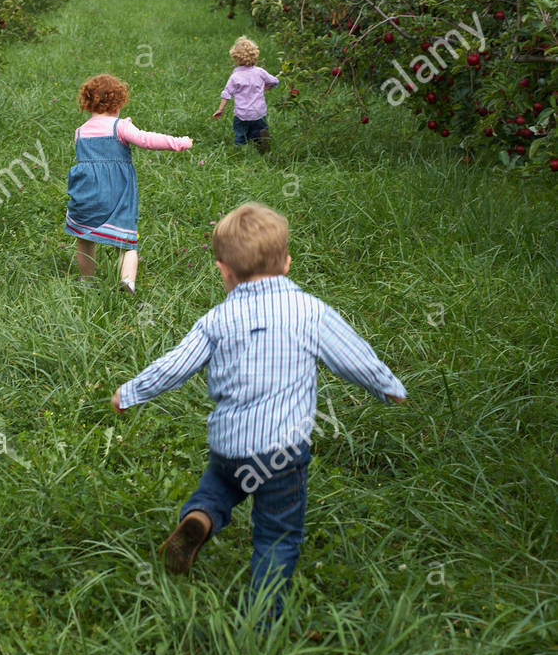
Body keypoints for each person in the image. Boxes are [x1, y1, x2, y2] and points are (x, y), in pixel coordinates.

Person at [111, 203, 406, 620]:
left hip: (230, 444)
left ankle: (201, 517)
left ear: (223, 271)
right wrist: (387, 386)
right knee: (277, 535)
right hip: (282, 452)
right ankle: (260, 620)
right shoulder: (310, 312)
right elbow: (352, 357)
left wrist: (131, 392)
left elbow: (174, 365)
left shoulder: (216, 320)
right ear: (286, 263)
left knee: (221, 486)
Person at [65, 73, 192, 293]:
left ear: (87, 103)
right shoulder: (120, 127)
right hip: (117, 194)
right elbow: (147, 139)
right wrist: (178, 143)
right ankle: (127, 282)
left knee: (84, 238)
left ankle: (87, 281)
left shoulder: (80, 132)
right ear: (117, 103)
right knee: (125, 241)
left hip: (86, 195)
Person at [212, 36, 279, 150]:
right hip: (259, 113)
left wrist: (220, 109)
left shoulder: (235, 76)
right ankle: (262, 143)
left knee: (240, 135)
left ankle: (241, 152)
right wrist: (267, 86)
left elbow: (227, 93)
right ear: (255, 55)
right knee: (259, 131)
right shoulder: (260, 72)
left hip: (242, 114)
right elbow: (274, 81)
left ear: (236, 58)